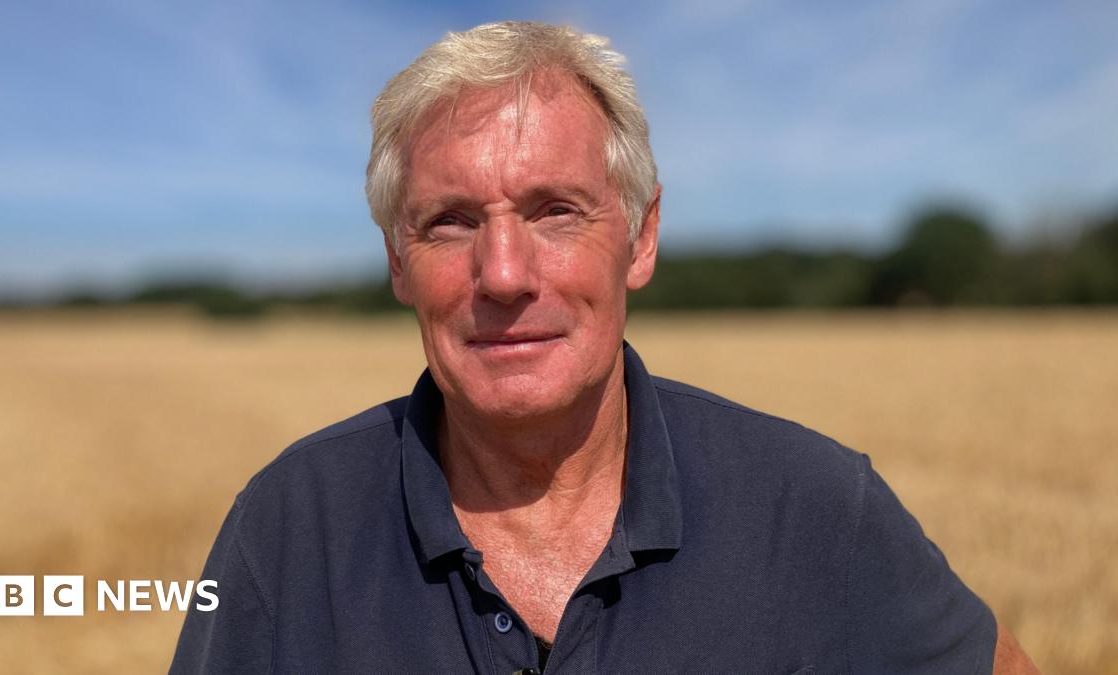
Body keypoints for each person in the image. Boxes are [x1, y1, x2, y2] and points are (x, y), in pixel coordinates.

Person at [171, 21, 1037, 674]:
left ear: (642, 236)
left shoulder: (813, 510)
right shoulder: (288, 530)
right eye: (451, 221)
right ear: (400, 262)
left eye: (555, 210)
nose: (503, 273)